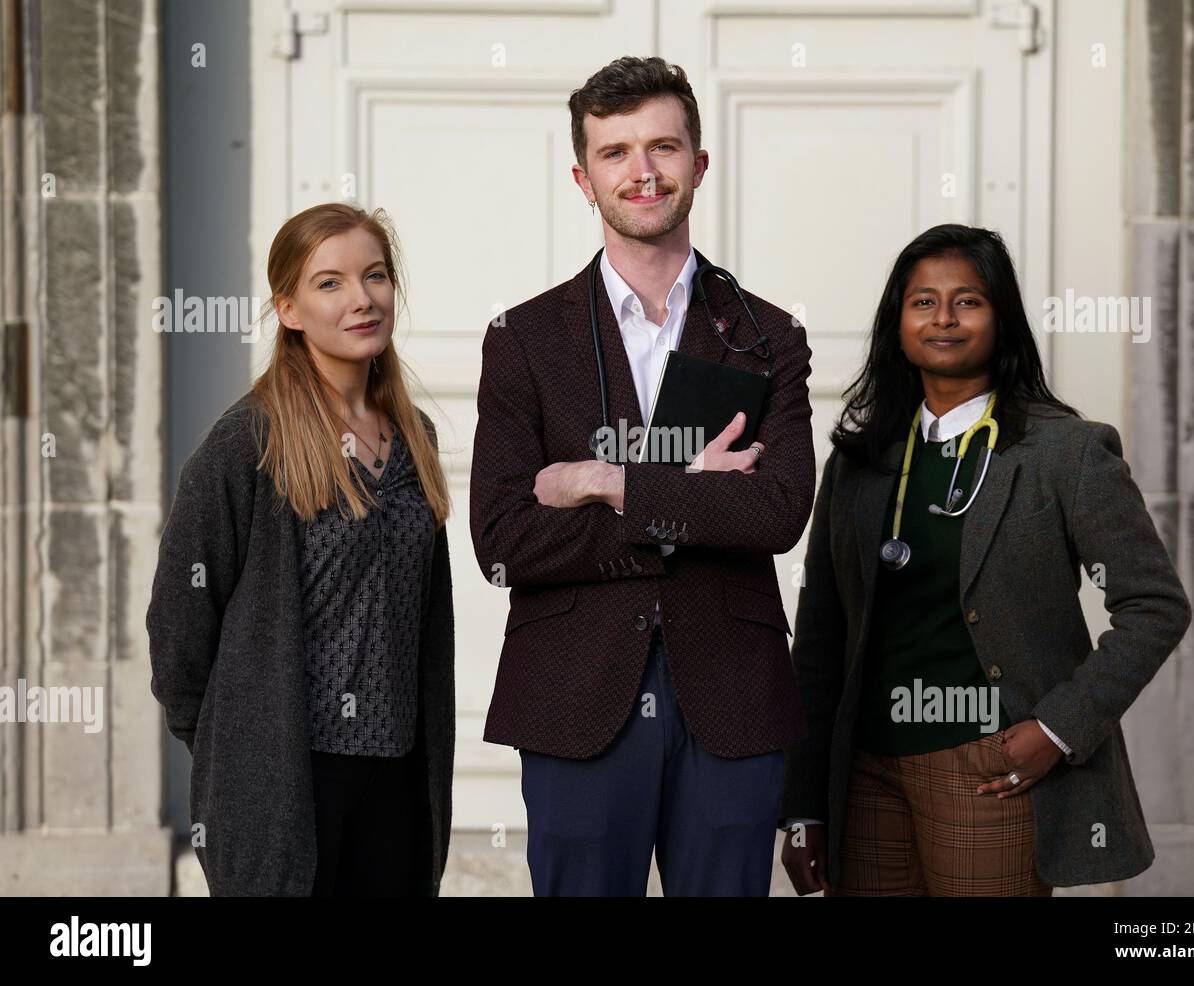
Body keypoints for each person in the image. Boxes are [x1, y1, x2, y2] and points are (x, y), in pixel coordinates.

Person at [470, 56, 815, 896]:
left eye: (663, 147)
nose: (643, 171)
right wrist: (695, 492)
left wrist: (605, 479)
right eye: (617, 152)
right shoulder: (522, 338)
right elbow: (505, 541)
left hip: (731, 692)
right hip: (573, 691)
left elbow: (775, 513)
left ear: (698, 164)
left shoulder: (769, 335)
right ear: (583, 179)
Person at [779, 223, 1191, 896]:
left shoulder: (1065, 453)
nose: (943, 317)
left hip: (989, 766)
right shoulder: (860, 464)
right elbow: (820, 640)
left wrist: (1057, 729)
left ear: (1002, 319)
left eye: (967, 301)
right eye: (923, 301)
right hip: (864, 772)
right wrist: (802, 802)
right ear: (898, 321)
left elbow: (1154, 605)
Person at [148, 203, 455, 896]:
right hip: (285, 782)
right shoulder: (246, 445)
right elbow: (179, 626)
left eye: (375, 276)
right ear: (287, 309)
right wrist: (234, 750)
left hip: (399, 781)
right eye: (331, 283)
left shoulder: (417, 441)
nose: (362, 298)